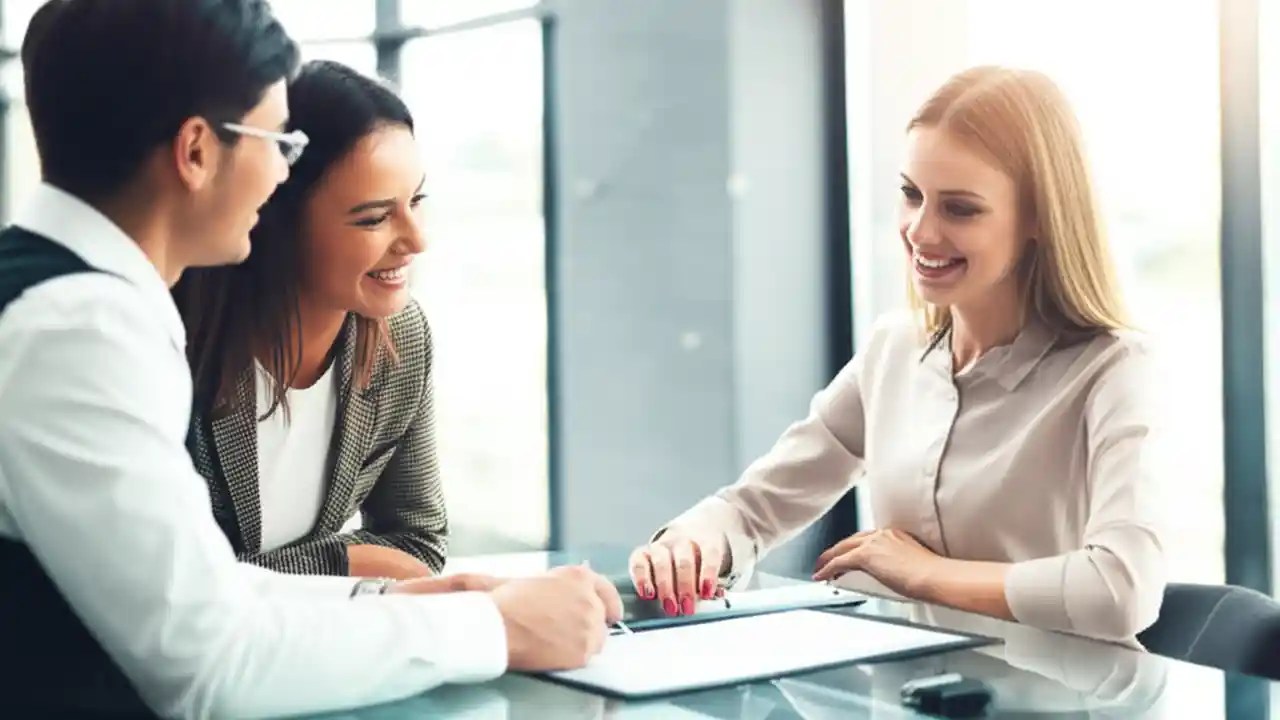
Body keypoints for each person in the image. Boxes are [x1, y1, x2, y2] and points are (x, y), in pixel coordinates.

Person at [0, 2, 619, 718]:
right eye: (276, 141)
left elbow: (207, 593)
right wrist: (497, 629)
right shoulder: (78, 327)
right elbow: (211, 662)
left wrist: (406, 600)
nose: (278, 174)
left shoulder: (71, 301)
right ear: (196, 151)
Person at [628, 66, 1165, 644]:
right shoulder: (895, 350)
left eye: (960, 209)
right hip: (906, 697)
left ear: (1038, 216)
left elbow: (1121, 589)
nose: (919, 231)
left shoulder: (1110, 369)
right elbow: (756, 508)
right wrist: (690, 541)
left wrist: (926, 575)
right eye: (912, 195)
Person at [175, 60, 448, 580]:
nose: (416, 241)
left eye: (416, 201)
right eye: (373, 217)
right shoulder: (176, 340)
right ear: (276, 218)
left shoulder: (402, 338)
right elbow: (170, 590)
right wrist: (343, 557)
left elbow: (418, 544)